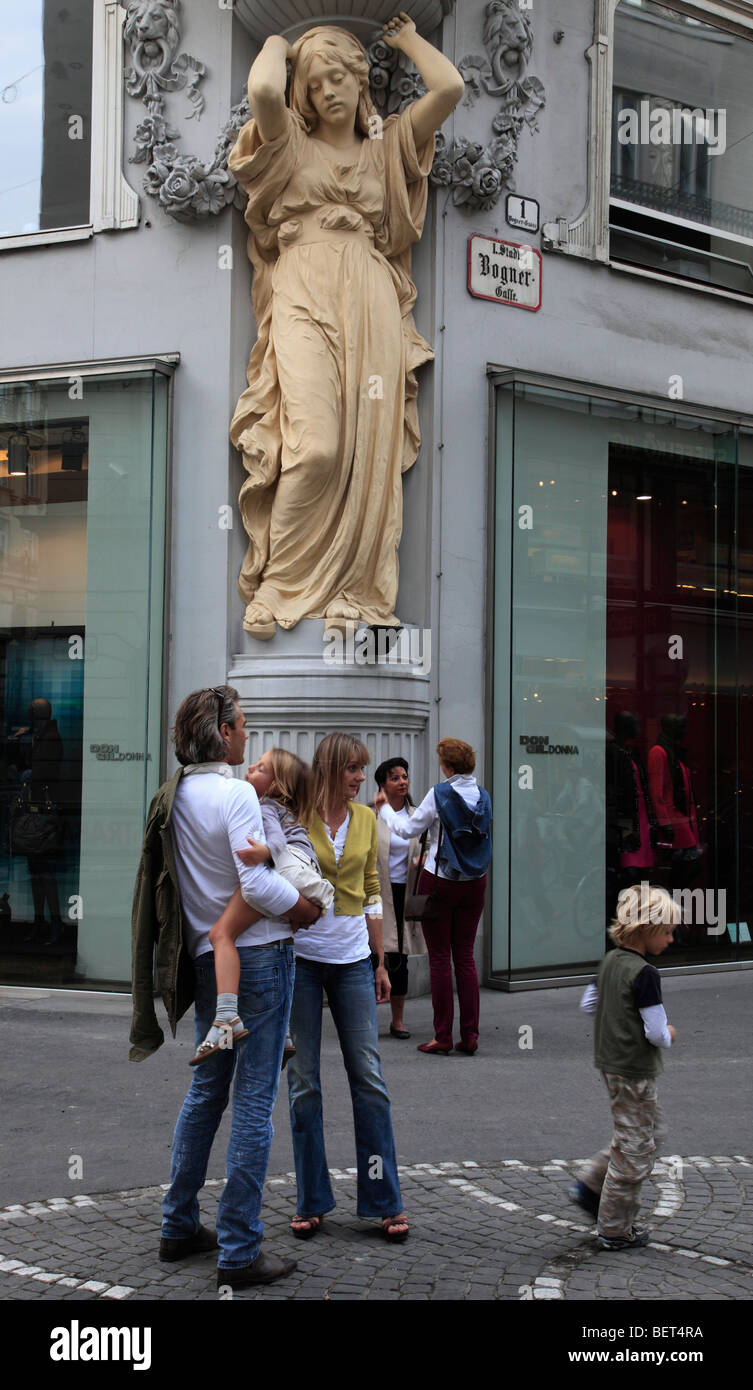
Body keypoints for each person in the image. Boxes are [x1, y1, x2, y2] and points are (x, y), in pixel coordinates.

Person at [227, 14, 464, 636]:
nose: (327, 90)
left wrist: (408, 42)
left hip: (370, 296)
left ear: (362, 84)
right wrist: (283, 42)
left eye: (338, 77)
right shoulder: (291, 145)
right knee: (318, 445)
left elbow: (449, 89)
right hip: (303, 285)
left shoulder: (387, 149)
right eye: (315, 84)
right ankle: (280, 587)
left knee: (369, 452)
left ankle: (356, 590)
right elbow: (262, 94)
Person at [129, 685, 321, 1290]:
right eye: (242, 726)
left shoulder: (176, 793)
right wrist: (304, 910)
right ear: (223, 732)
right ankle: (238, 1249)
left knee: (206, 1092)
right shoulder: (236, 792)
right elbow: (258, 886)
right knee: (255, 1101)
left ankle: (177, 1225)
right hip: (258, 954)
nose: (247, 735)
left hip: (209, 956)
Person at [286, 731, 409, 1242]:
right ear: (332, 769)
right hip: (301, 963)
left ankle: (383, 1200)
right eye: (354, 769)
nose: (363, 778)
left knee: (369, 1081)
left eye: (364, 769)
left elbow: (373, 888)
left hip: (354, 960)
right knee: (304, 1084)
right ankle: (312, 1200)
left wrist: (381, 960)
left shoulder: (366, 818)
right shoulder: (296, 817)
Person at [188, 747, 333, 1067]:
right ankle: (281, 1036)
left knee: (221, 933)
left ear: (278, 786)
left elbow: (277, 847)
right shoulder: (278, 807)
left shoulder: (265, 806)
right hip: (303, 871)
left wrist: (263, 854)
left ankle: (226, 1018)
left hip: (287, 867)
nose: (251, 768)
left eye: (261, 768)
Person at [572, 883, 680, 1251]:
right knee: (636, 1147)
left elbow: (589, 1005)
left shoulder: (609, 962)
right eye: (666, 932)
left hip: (611, 1065)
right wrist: (669, 1032)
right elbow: (655, 1032)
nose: (669, 939)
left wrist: (615, 1021)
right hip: (635, 1069)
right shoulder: (646, 973)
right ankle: (614, 1227)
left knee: (643, 1132)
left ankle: (590, 1183)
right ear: (647, 930)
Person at [393, 738, 492, 1056]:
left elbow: (409, 830)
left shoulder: (439, 793)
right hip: (475, 882)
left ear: (447, 766)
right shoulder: (483, 795)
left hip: (440, 881)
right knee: (465, 958)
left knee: (439, 959)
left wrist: (385, 813)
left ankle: (442, 1037)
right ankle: (471, 1034)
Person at [372, 756, 426, 1039]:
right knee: (375, 954)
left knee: (399, 958)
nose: (402, 781)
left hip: (405, 891)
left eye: (404, 776)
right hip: (377, 892)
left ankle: (398, 1021)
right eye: (395, 778)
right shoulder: (371, 816)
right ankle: (366, 1020)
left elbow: (428, 848)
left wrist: (423, 859)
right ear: (383, 785)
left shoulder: (417, 816)